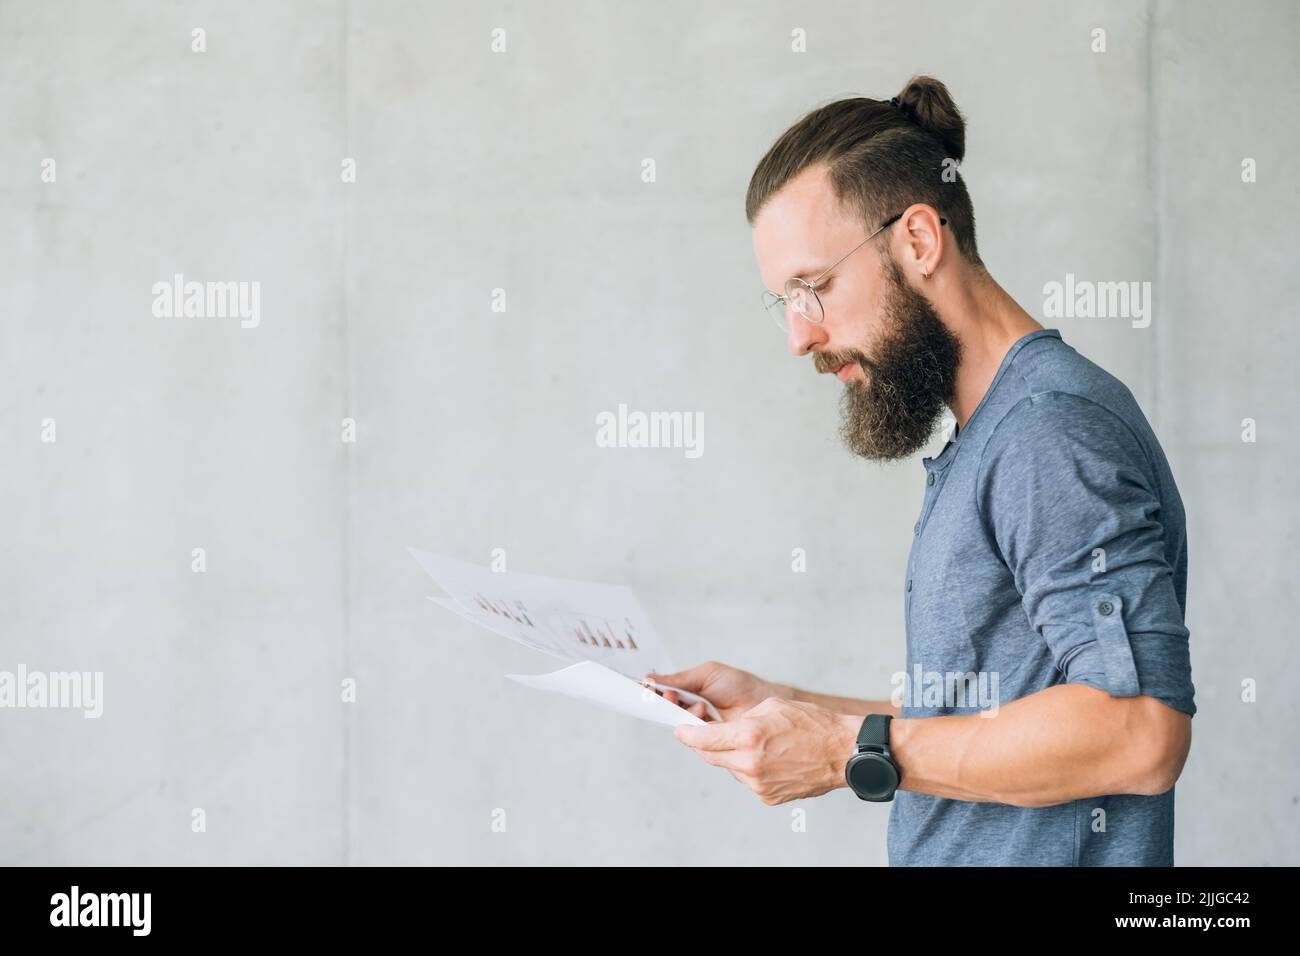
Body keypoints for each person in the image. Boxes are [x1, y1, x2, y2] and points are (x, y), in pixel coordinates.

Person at [649, 76, 1196, 866]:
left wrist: (846, 751)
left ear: (918, 240)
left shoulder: (1047, 433)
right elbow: (993, 713)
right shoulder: (996, 431)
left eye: (815, 287)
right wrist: (796, 710)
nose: (800, 338)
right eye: (786, 302)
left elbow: (1140, 731)